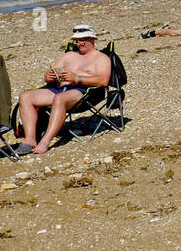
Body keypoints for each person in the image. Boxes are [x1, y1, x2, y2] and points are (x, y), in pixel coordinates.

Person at [14, 25, 111, 155]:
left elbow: (104, 80)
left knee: (59, 99)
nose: (79, 43)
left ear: (92, 39)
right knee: (25, 96)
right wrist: (48, 77)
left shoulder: (101, 58)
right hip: (59, 88)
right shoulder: (69, 55)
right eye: (76, 40)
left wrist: (77, 78)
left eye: (83, 40)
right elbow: (51, 73)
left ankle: (45, 141)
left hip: (83, 92)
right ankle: (30, 139)